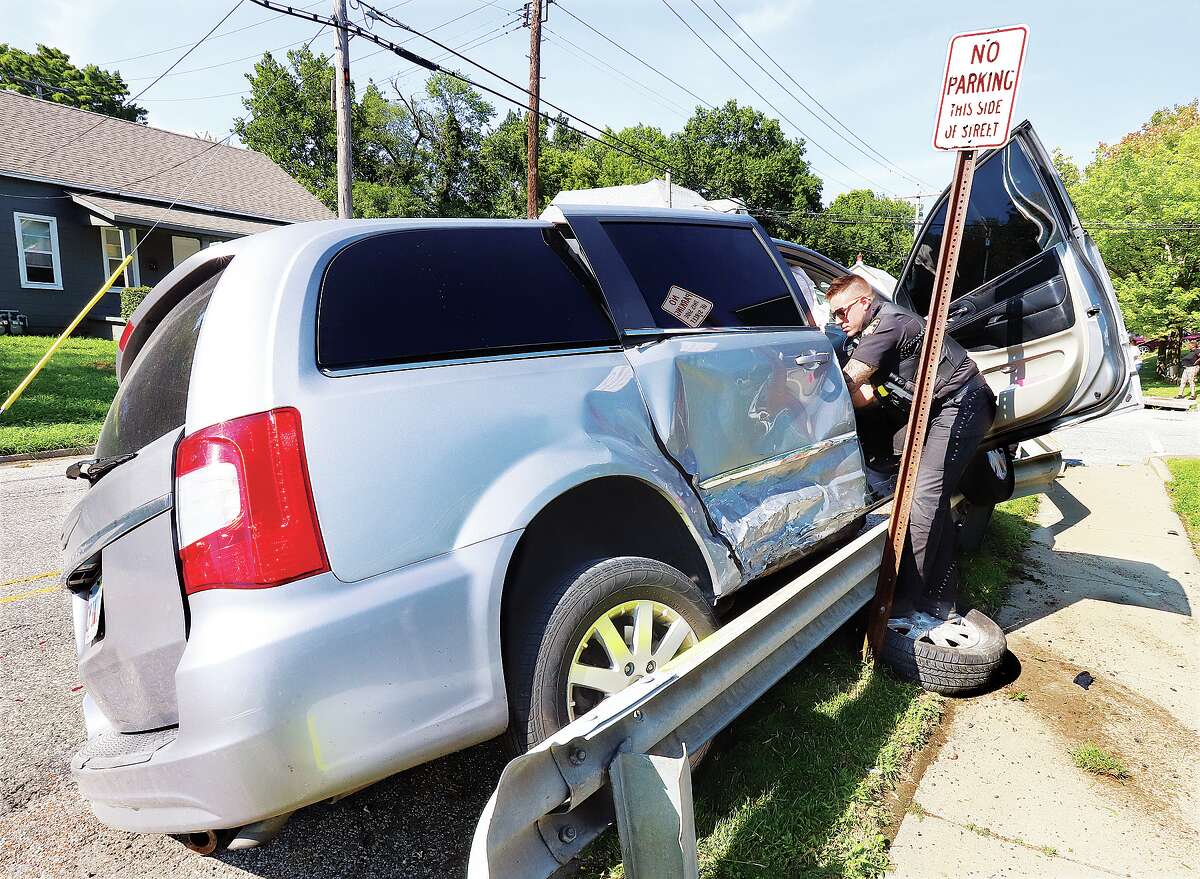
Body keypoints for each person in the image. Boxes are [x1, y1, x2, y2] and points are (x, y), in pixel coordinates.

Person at [825, 275, 996, 620]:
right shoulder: (863, 334)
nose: (838, 321)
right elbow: (867, 398)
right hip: (935, 411)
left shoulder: (888, 323)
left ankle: (901, 601)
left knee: (922, 499)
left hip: (961, 403)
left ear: (864, 301)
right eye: (834, 316)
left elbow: (847, 382)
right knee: (931, 502)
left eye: (842, 312)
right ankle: (940, 597)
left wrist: (805, 385)